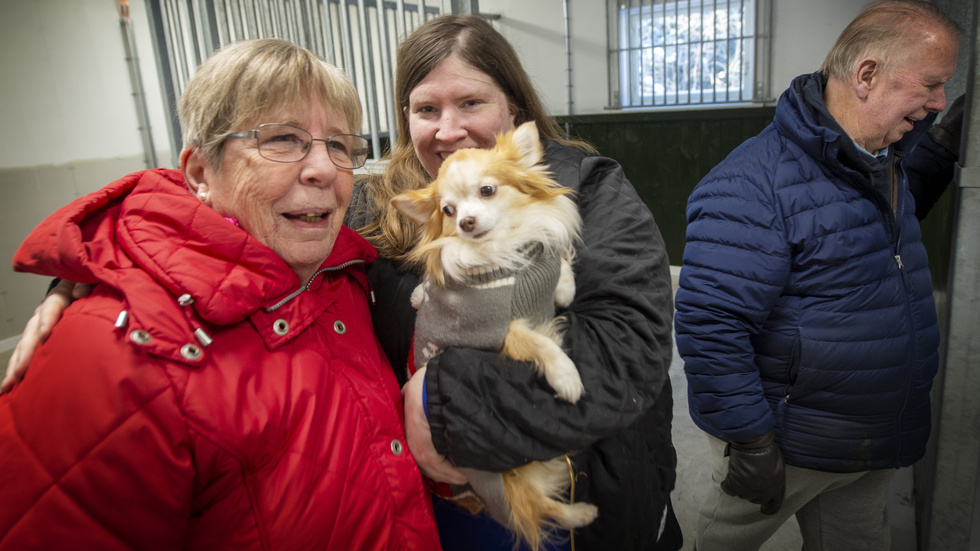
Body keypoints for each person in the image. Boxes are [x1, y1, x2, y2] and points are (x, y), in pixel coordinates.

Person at [3, 15, 682, 551]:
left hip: (585, 504)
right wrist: (99, 270)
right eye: (425, 108)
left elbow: (629, 349)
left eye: (472, 101)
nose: (449, 130)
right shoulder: (376, 210)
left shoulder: (587, 190)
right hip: (441, 515)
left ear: (514, 109)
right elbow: (199, 222)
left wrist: (442, 402)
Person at [0, 39, 441, 549]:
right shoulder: (110, 355)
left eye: (340, 146)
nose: (324, 168)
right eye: (282, 138)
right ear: (200, 173)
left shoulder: (345, 273)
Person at [673, 1, 960, 550]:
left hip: (869, 437)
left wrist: (940, 148)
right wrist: (751, 441)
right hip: (791, 439)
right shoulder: (751, 183)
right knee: (725, 539)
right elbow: (712, 325)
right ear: (867, 75)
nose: (940, 102)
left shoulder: (884, 157)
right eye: (931, 84)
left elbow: (864, 229)